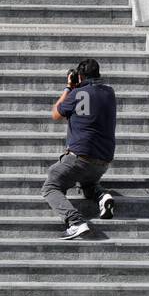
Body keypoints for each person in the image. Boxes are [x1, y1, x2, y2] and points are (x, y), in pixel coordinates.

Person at [42, 58, 117, 240]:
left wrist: (69, 87)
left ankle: (75, 222)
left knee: (51, 185)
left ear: (80, 76)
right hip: (103, 161)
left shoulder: (77, 94)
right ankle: (102, 196)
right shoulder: (110, 93)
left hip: (80, 159)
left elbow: (56, 113)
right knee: (87, 183)